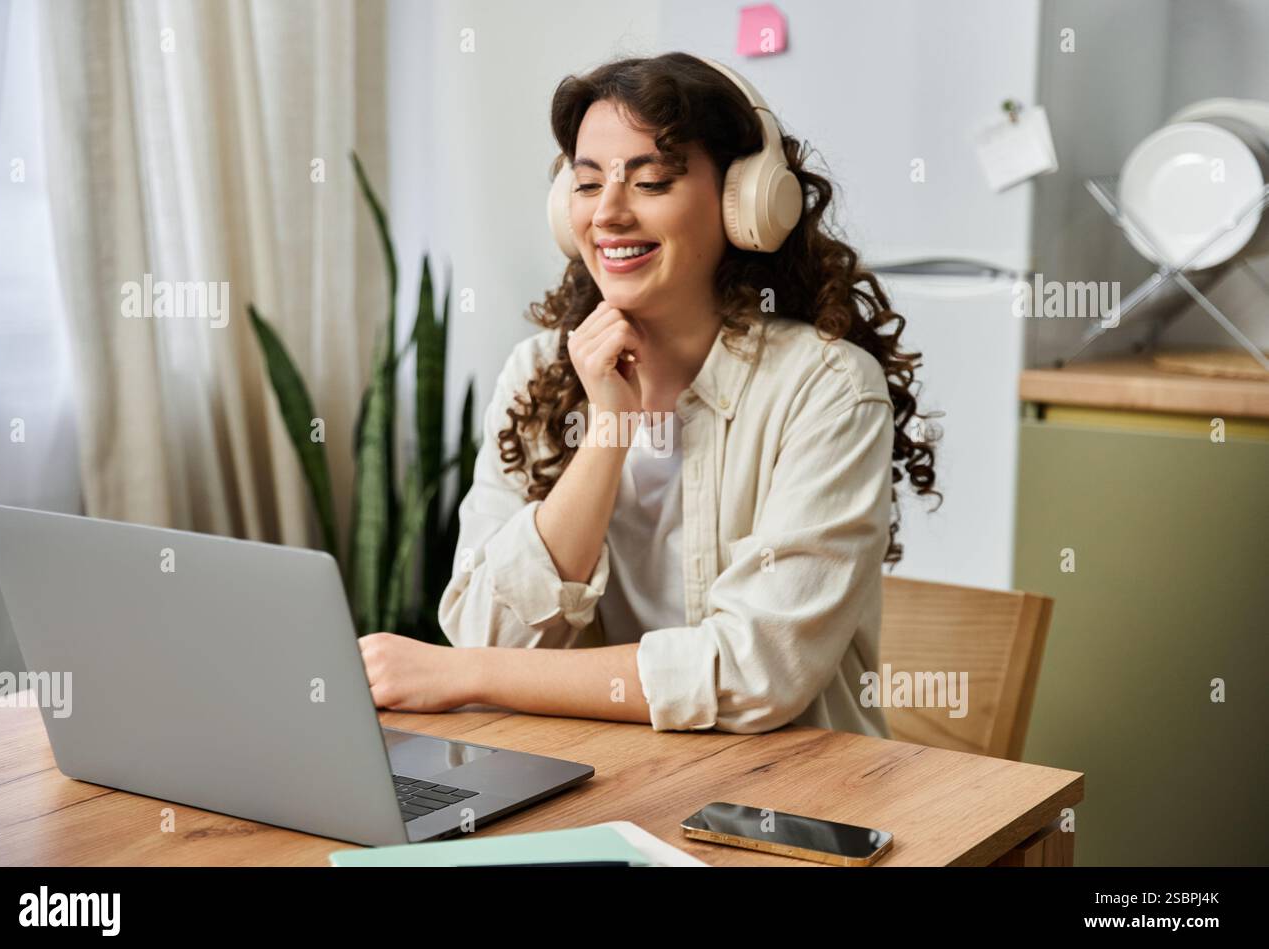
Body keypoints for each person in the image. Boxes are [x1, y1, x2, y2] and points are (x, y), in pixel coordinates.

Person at [358, 52, 938, 735]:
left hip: (786, 804)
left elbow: (753, 674)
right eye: (587, 183)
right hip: (605, 784)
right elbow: (491, 629)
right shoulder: (539, 371)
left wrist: (466, 678)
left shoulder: (827, 390)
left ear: (744, 201)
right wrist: (607, 431)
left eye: (651, 182)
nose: (608, 213)